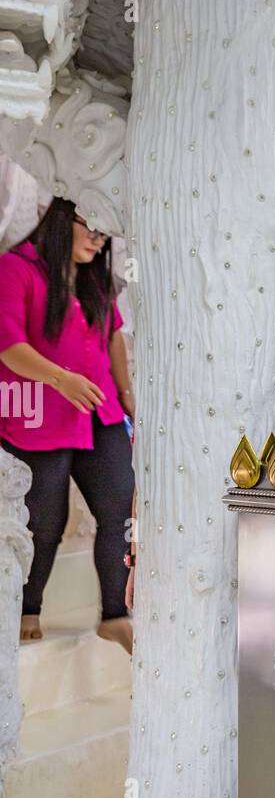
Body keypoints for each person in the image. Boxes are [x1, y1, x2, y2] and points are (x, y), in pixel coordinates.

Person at [0, 198, 134, 653]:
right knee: (44, 521)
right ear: (62, 220)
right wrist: (59, 378)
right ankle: (26, 608)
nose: (98, 238)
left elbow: (113, 333)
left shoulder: (93, 279)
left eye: (104, 232)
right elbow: (8, 346)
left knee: (120, 510)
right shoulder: (17, 268)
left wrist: (127, 393)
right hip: (39, 416)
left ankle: (115, 615)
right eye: (90, 227)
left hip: (101, 413)